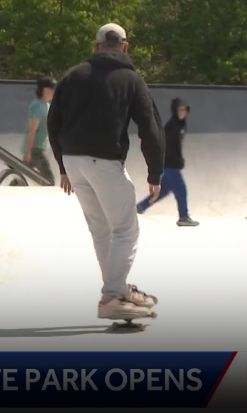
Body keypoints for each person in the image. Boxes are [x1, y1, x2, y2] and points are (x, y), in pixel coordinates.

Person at [47, 23, 165, 320]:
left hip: (74, 163)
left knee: (100, 229)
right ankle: (112, 295)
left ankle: (117, 288)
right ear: (125, 46)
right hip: (104, 162)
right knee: (126, 229)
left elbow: (53, 122)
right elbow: (150, 128)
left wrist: (62, 166)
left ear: (96, 45)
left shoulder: (72, 75)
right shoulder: (131, 79)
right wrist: (155, 173)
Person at [136, 98, 199, 227]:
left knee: (162, 191)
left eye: (184, 110)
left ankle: (140, 207)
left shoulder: (181, 124)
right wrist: (173, 160)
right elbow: (165, 146)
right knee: (181, 190)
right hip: (170, 164)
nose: (182, 113)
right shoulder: (172, 126)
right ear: (175, 111)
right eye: (180, 110)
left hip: (172, 164)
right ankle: (183, 216)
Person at [19, 77, 56, 184]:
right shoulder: (36, 106)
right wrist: (28, 151)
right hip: (35, 150)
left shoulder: (47, 106)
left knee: (21, 175)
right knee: (49, 181)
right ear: (44, 90)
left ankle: (7, 189)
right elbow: (32, 130)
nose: (53, 92)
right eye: (51, 90)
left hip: (38, 149)